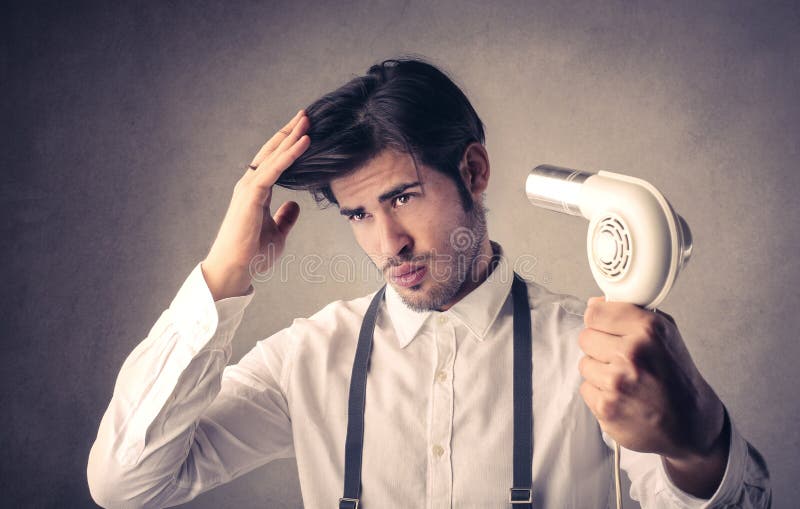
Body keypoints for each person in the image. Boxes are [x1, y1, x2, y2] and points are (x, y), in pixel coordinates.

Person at [87, 58, 770, 508]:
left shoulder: (591, 354)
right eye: (359, 213)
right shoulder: (308, 359)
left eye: (404, 197)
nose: (388, 244)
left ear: (473, 171)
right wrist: (222, 275)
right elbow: (126, 481)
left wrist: (697, 441)